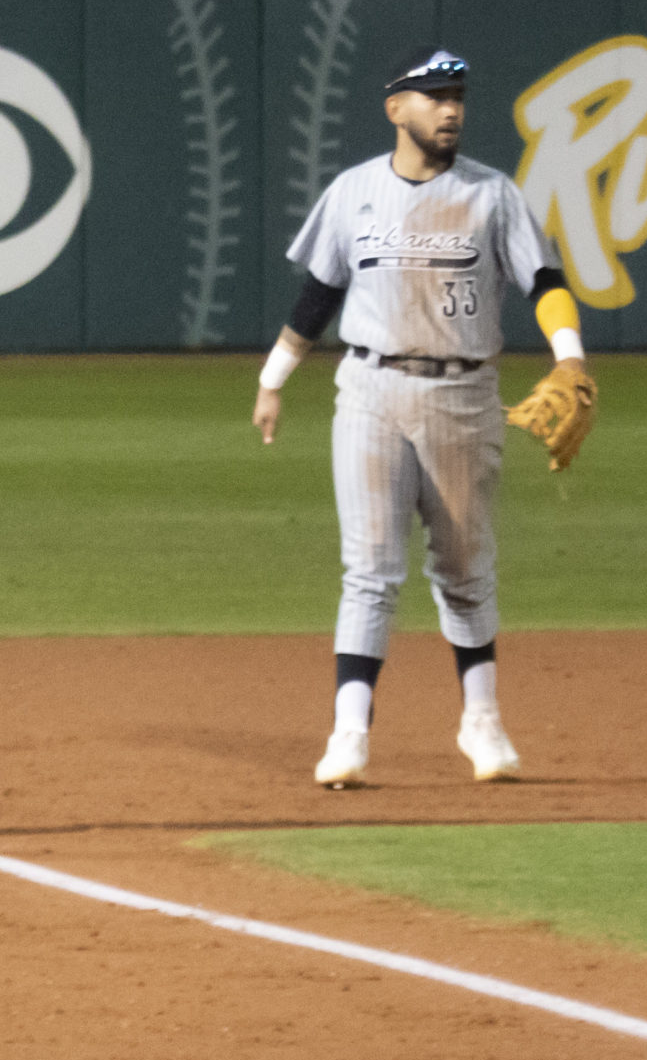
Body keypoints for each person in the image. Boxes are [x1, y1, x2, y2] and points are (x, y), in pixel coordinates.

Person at [251, 47, 597, 789]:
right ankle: (349, 732)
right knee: (370, 568)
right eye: (434, 95)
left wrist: (570, 357)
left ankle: (481, 720)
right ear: (395, 108)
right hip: (371, 390)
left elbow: (545, 279)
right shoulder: (354, 193)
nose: (451, 108)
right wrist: (273, 378)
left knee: (465, 567)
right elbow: (317, 296)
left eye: (458, 95)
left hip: (464, 398)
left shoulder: (492, 195)